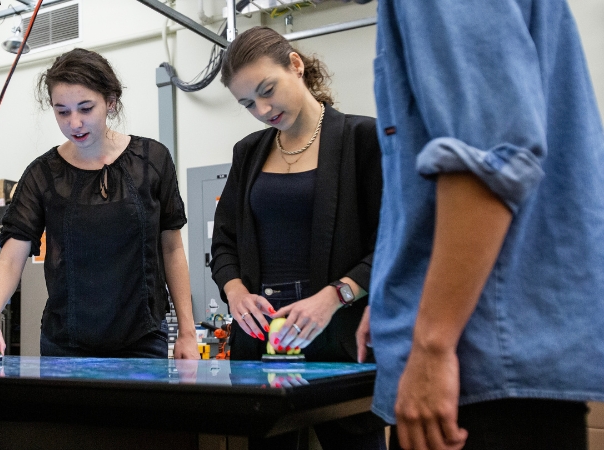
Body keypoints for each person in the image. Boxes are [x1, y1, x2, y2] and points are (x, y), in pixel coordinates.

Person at [361, 1, 604, 449]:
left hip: (478, 366)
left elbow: (490, 159)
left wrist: (432, 344)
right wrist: (391, 294)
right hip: (501, 352)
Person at [0, 48, 199, 359]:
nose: (75, 123)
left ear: (110, 101)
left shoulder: (153, 160)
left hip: (142, 339)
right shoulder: (42, 175)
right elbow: (10, 258)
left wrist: (188, 331)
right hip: (66, 344)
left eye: (85, 108)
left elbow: (173, 249)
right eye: (62, 111)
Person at [211, 27, 384, 449]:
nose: (262, 109)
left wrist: (333, 296)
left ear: (296, 65)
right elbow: (224, 244)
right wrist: (235, 293)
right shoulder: (248, 153)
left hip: (341, 344)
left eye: (268, 90)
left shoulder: (364, 139)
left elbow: (392, 243)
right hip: (262, 349)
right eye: (247, 103)